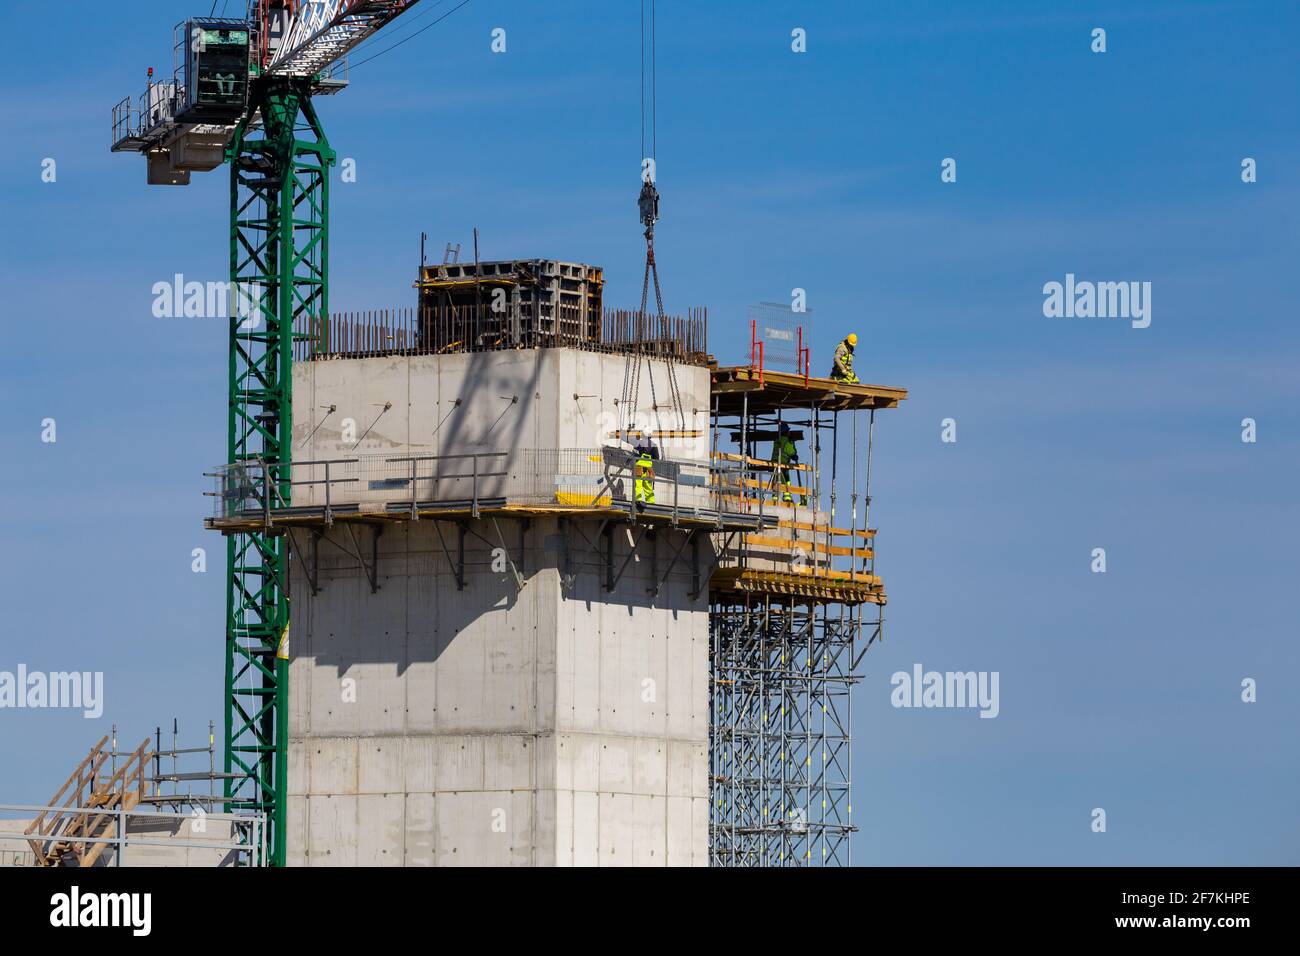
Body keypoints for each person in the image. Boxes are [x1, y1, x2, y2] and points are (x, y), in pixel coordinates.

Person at [773, 423, 807, 505]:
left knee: (776, 480)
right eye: (788, 431)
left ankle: (775, 498)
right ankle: (787, 497)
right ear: (785, 432)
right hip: (782, 463)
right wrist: (794, 454)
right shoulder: (786, 440)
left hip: (775, 462)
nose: (789, 432)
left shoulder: (777, 439)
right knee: (785, 480)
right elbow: (790, 451)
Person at [632, 428, 658, 508]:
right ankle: (651, 504)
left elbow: (634, 455)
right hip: (648, 471)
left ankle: (637, 502)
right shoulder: (654, 446)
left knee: (638, 487)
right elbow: (656, 458)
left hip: (638, 469)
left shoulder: (638, 444)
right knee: (648, 489)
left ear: (643, 434)